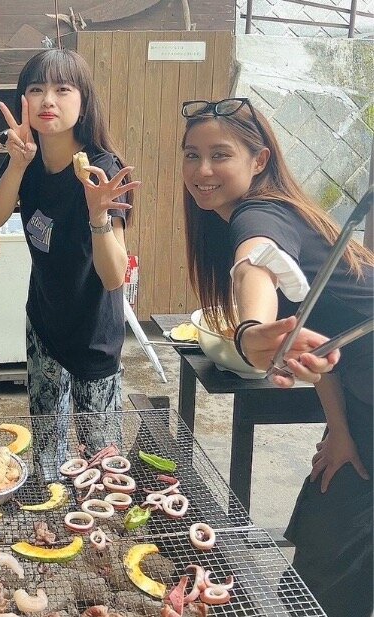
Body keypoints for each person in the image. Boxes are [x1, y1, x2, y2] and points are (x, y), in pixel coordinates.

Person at [180, 96, 373, 617]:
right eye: (192, 155)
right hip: (359, 402)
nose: (202, 170)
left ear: (259, 159)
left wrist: (249, 330)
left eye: (220, 155)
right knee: (324, 535)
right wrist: (340, 430)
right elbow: (316, 339)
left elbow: (257, 262)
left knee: (340, 564)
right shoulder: (245, 216)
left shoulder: (262, 212)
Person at [0, 48, 139, 481]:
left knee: (101, 463)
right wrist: (18, 163)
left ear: (83, 102)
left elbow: (114, 277)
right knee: (47, 455)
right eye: (36, 89)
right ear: (23, 101)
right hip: (43, 323)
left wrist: (98, 216)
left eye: (62, 89)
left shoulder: (102, 171)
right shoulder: (26, 159)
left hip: (94, 334)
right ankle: (50, 506)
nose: (47, 100)